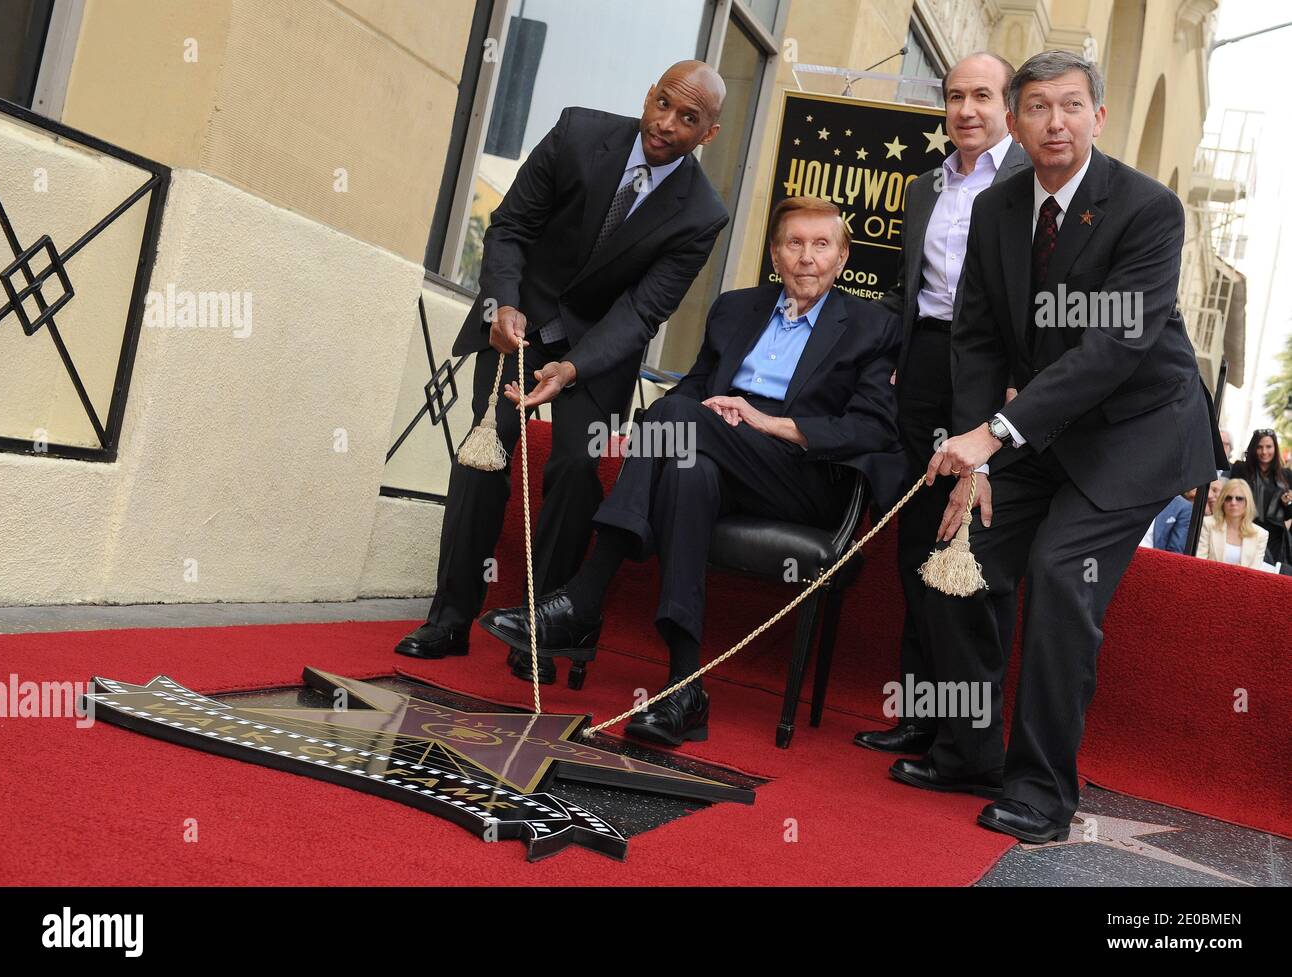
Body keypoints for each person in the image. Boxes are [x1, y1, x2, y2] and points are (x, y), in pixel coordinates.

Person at [894, 51, 1225, 843]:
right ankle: (968, 748)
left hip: (1133, 429)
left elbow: (1113, 346)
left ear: (1098, 118)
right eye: (1037, 107)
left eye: (1071, 106)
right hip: (1041, 424)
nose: (1054, 122)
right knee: (959, 553)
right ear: (1016, 120)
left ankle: (1042, 786)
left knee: (1057, 569)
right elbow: (974, 336)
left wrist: (996, 431)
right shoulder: (999, 207)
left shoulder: (1148, 209)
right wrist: (975, 458)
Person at [478, 196, 901, 745]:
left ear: (842, 259)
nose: (807, 257)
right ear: (775, 254)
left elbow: (872, 429)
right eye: (794, 243)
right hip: (716, 453)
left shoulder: (872, 325)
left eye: (822, 245)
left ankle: (585, 599)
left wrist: (769, 424)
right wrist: (715, 419)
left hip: (801, 472)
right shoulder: (734, 308)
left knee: (672, 418)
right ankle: (684, 688)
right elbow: (698, 389)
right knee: (686, 468)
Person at [395, 62, 731, 682]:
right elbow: (511, 227)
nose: (666, 124)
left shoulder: (702, 214)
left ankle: (539, 632)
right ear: (647, 93)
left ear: (707, 134)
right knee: (484, 453)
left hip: (598, 349)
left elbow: (642, 311)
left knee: (576, 468)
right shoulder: (578, 132)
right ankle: (449, 617)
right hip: (518, 315)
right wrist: (502, 305)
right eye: (662, 104)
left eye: (688, 118)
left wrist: (573, 367)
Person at [855, 52, 1030, 757]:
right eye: (955, 96)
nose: (965, 110)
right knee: (916, 542)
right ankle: (921, 716)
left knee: (973, 548)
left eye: (981, 96)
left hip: (995, 376)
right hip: (924, 366)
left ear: (1008, 106)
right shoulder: (924, 185)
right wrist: (899, 362)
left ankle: (967, 737)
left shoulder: (1029, 180)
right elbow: (910, 289)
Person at [1229, 430, 1292, 570]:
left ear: (1275, 448)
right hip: (1246, 531)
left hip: (1275, 539)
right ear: (1253, 448)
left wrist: (1288, 502)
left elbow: (1289, 514)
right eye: (1259, 447)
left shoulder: (1286, 475)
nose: (1264, 451)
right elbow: (1230, 497)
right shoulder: (1241, 469)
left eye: (1269, 447)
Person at [1195, 478, 1268, 568]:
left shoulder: (1260, 534)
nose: (1233, 502)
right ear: (1222, 501)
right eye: (1228, 498)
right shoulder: (1207, 524)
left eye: (1239, 498)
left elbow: (1254, 572)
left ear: (1247, 502)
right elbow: (1199, 561)